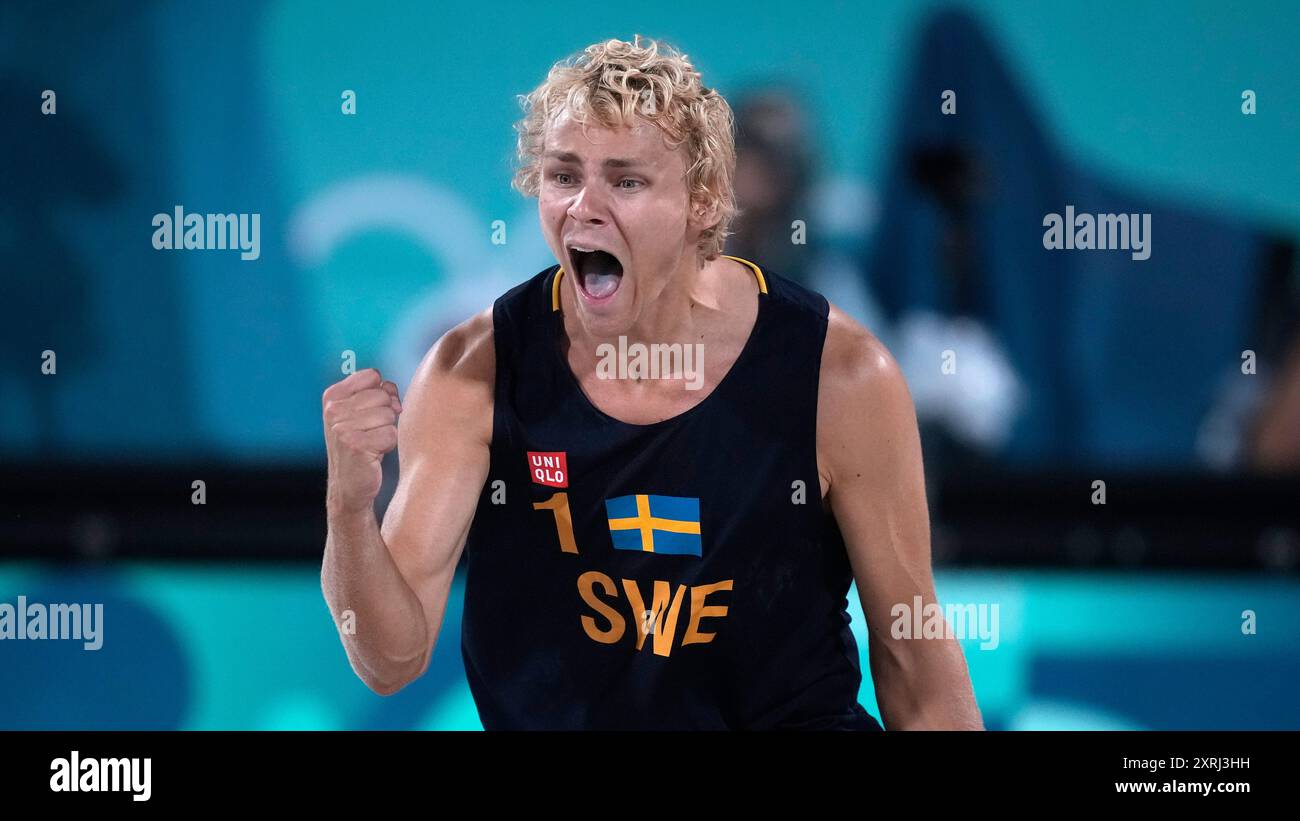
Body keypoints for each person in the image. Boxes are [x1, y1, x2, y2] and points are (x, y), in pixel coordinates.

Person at [320, 35, 982, 730]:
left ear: (702, 201)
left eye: (627, 181)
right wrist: (346, 506)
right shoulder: (473, 370)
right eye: (564, 175)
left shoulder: (837, 374)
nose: (584, 207)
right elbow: (390, 659)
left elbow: (917, 671)